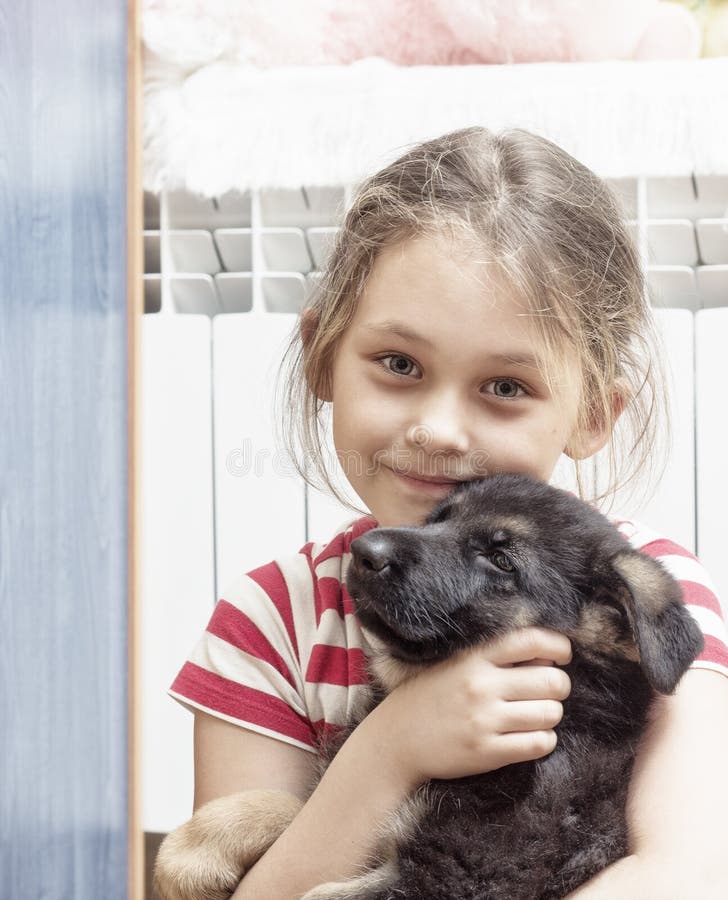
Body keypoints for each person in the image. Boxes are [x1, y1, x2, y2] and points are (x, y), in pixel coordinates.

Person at [168, 127, 728, 899]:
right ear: (323, 353)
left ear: (595, 411)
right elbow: (220, 886)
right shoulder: (271, 619)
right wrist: (390, 749)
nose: (437, 428)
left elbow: (683, 873)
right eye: (399, 365)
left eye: (504, 386)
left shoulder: (637, 592)